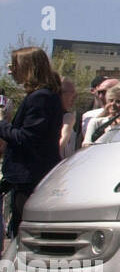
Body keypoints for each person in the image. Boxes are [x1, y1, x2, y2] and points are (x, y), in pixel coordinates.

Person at [1, 48, 65, 245]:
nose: (10, 72)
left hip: (31, 178)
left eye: (14, 66)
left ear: (28, 68)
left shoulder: (41, 97)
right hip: (26, 178)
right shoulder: (43, 96)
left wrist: (2, 123)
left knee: (26, 235)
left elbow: (27, 138)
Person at [57, 77, 78, 160]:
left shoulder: (69, 116)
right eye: (72, 93)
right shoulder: (67, 118)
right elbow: (63, 139)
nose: (75, 97)